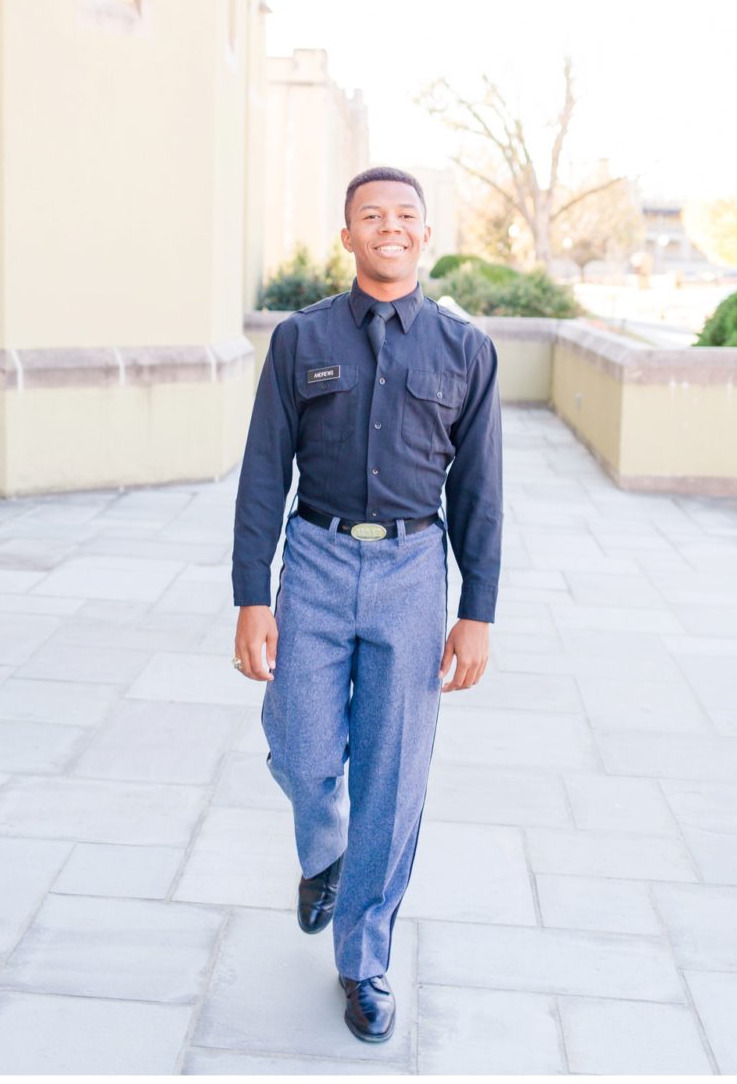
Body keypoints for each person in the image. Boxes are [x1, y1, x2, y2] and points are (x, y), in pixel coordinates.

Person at [232, 167, 502, 1043]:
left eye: (405, 216)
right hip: (312, 557)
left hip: (416, 572)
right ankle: (325, 853)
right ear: (346, 237)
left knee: (393, 778)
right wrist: (250, 595)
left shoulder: (466, 353)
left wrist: (478, 610)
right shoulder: (299, 338)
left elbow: (482, 494)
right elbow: (264, 471)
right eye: (370, 216)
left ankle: (364, 961)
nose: (390, 227)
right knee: (301, 746)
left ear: (426, 236)